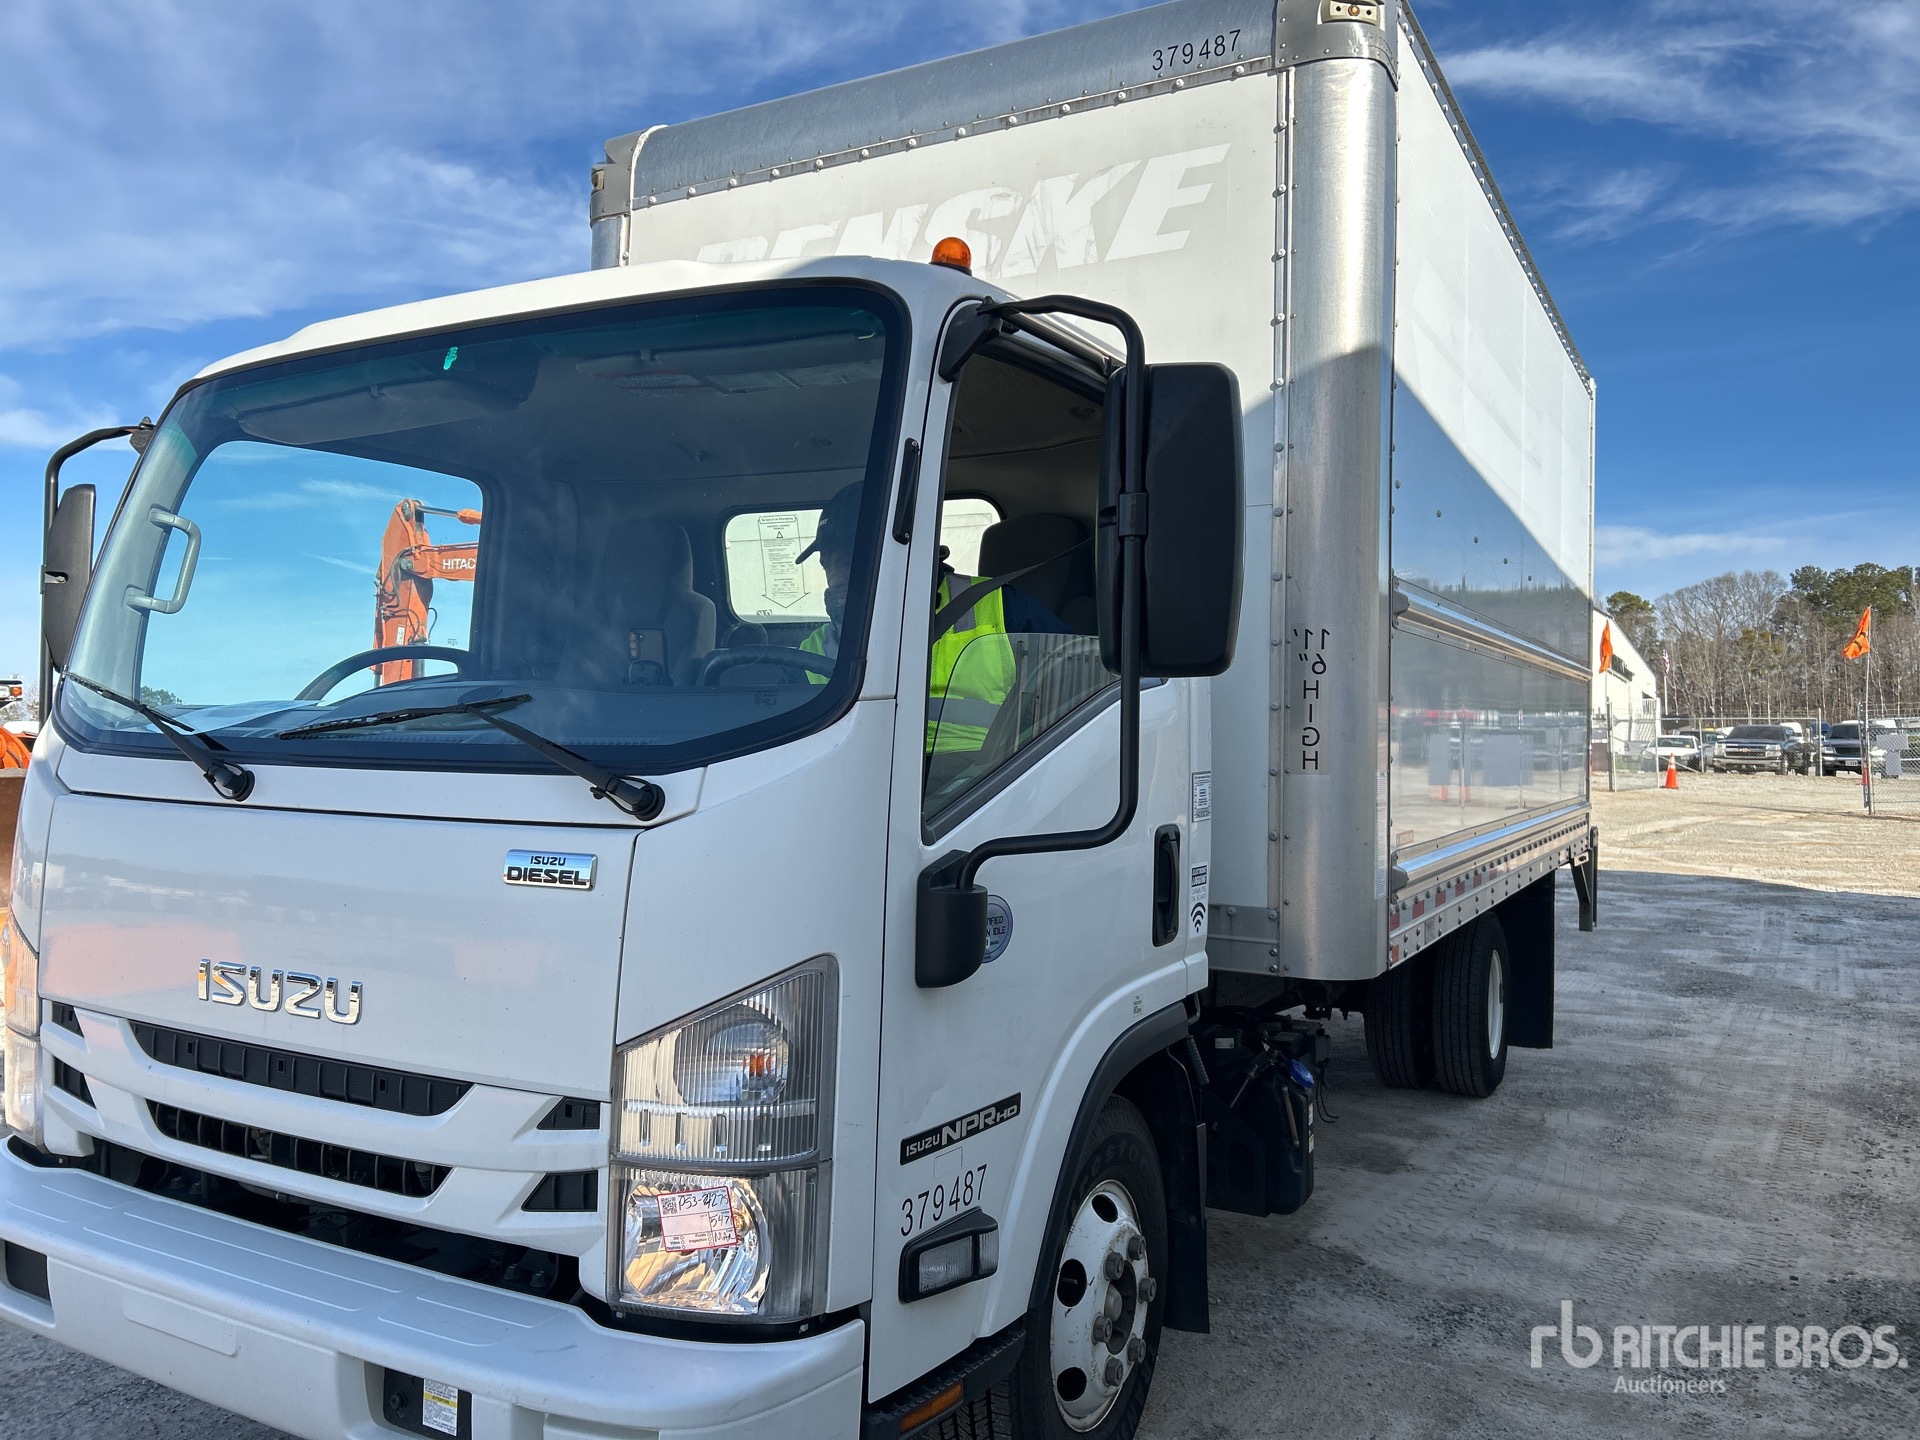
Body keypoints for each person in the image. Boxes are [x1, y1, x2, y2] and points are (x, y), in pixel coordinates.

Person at [797, 485, 1069, 756]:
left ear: (894, 552)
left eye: (846, 561)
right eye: (827, 564)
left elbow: (1077, 683)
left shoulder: (998, 604)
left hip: (986, 776)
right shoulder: (814, 646)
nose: (835, 578)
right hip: (859, 766)